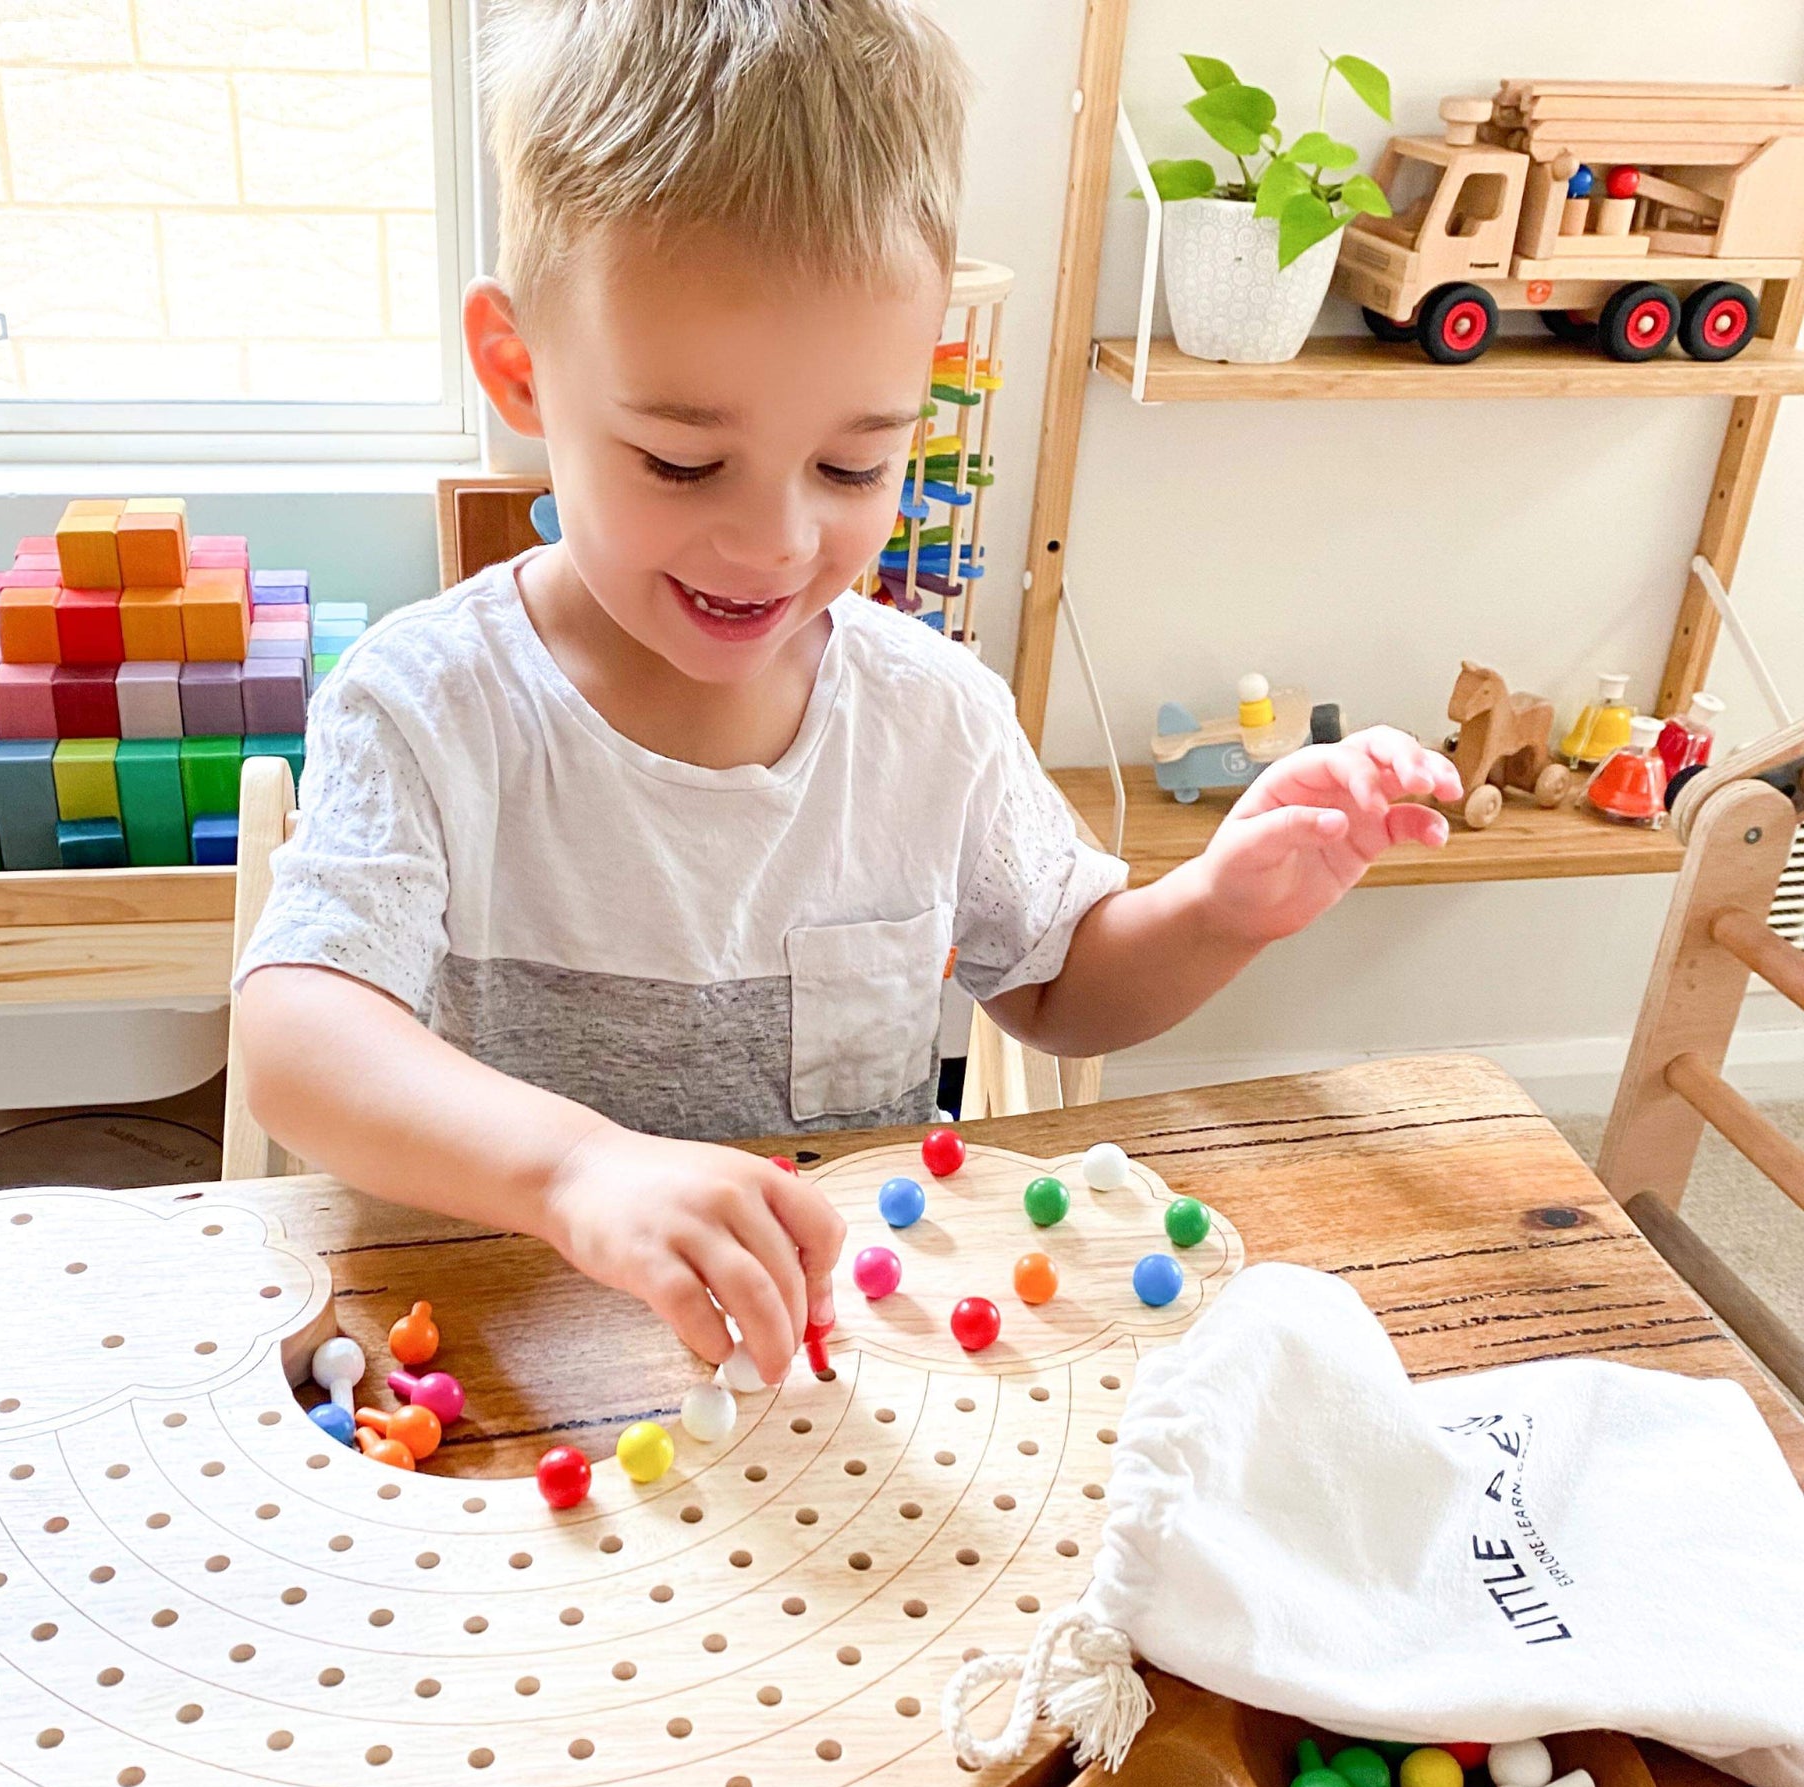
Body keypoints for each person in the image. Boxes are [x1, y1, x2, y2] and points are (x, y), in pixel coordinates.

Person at [235, 0, 1460, 1386]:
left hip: (838, 1377)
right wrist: (581, 1170)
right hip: (513, 1365)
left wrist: (1219, 908)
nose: (773, 543)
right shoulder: (426, 705)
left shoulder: (930, 716)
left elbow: (1059, 987)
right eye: (682, 465)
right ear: (523, 369)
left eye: (852, 466)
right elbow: (297, 1038)